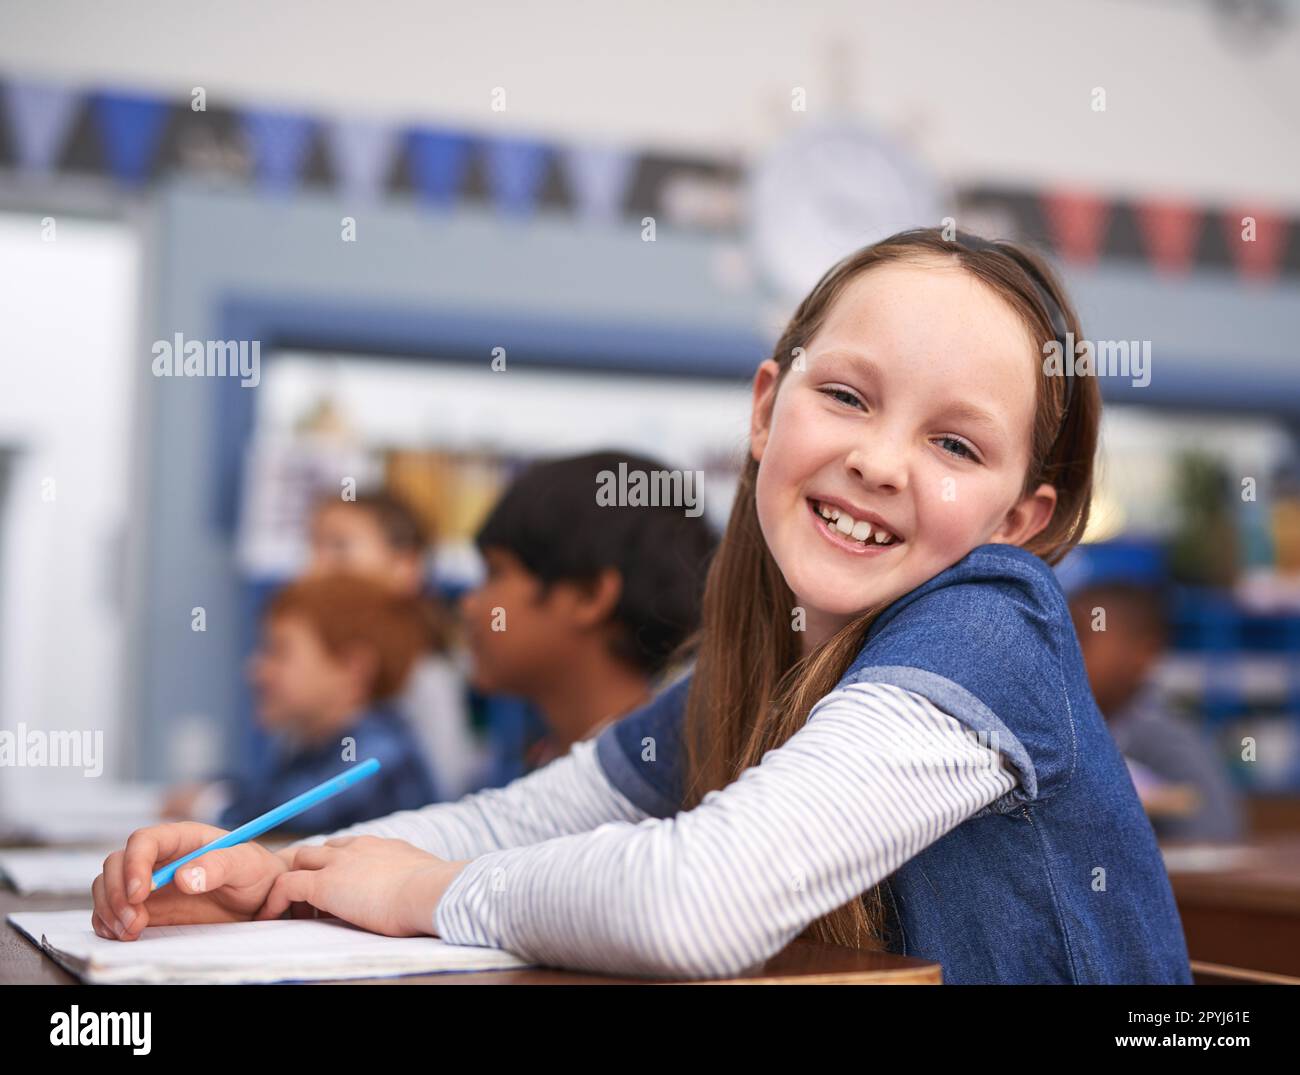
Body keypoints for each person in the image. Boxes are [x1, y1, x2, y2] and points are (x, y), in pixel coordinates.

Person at [94, 228, 1191, 984]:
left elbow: (696, 900)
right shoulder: (767, 672)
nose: (879, 461)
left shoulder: (992, 623)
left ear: (1018, 519)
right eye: (846, 396)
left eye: (954, 443)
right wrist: (276, 874)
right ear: (768, 409)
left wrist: (437, 893)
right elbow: (516, 821)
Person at [459, 451, 717, 771]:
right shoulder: (531, 755)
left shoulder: (663, 793)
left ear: (588, 596)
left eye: (495, 572)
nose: (469, 604)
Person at [165, 574, 437, 835]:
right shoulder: (309, 745)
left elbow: (292, 816)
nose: (255, 670)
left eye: (278, 651)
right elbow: (266, 792)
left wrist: (208, 804)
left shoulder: (378, 752)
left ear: (352, 669)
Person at [306, 491, 486, 799]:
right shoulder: (319, 664)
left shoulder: (426, 675)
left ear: (405, 566)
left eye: (339, 547)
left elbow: (444, 787)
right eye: (313, 547)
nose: (316, 567)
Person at [1069, 581, 1245, 842]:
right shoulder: (1058, 727)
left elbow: (1215, 834)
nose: (1064, 650)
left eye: (1081, 637)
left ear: (1144, 653)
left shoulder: (1164, 737)